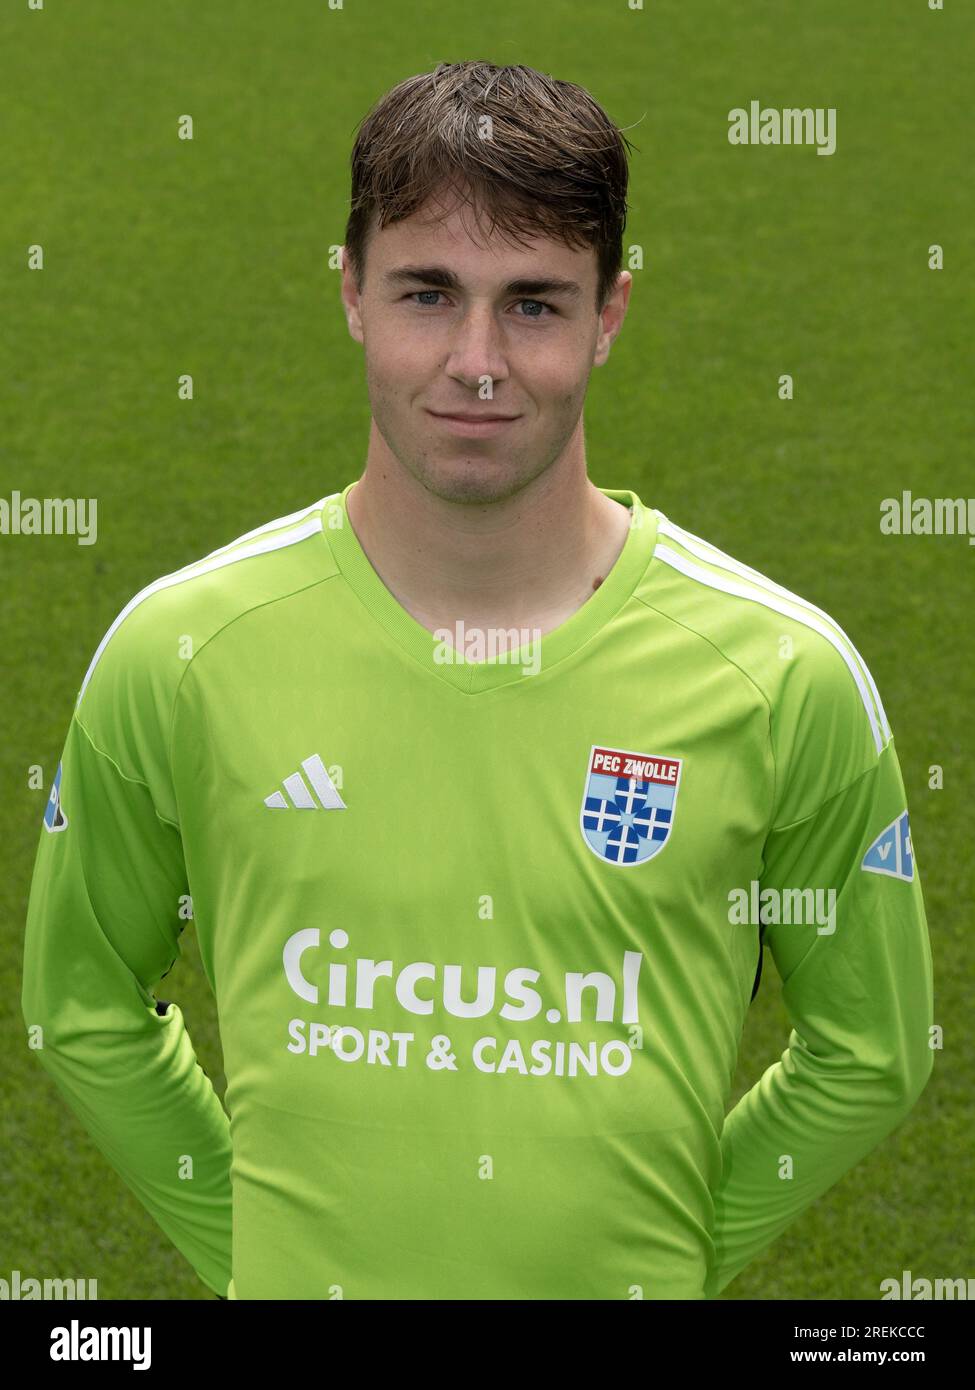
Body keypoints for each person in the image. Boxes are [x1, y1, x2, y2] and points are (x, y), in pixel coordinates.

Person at [21, 60, 933, 1301]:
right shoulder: (182, 649)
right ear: (349, 292)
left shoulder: (784, 673)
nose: (477, 361)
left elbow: (872, 1051)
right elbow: (82, 1004)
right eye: (428, 293)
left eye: (536, 305)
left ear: (612, 311)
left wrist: (668, 1251)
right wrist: (261, 1253)